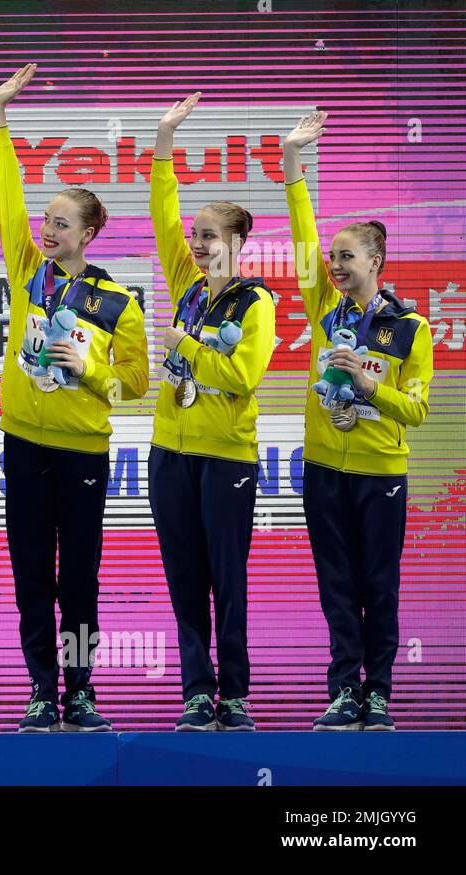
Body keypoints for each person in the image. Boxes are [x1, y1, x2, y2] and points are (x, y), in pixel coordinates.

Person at [0, 64, 148, 732]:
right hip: (24, 448)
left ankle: (80, 688)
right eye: (44, 221)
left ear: (87, 234)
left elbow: (135, 386)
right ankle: (39, 684)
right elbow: (3, 195)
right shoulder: (29, 273)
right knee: (31, 578)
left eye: (59, 223)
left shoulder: (118, 301)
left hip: (83, 452)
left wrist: (86, 370)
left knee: (77, 580)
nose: (45, 229)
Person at [282, 111, 433, 731]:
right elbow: (300, 231)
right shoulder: (323, 304)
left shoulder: (411, 329)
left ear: (377, 260)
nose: (336, 265)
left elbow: (417, 409)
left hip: (380, 474)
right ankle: (344, 691)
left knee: (379, 587)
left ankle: (379, 694)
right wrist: (294, 160)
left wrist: (372, 385)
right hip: (323, 470)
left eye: (348, 257)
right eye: (333, 257)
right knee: (337, 587)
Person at [149, 93, 277, 732]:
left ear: (237, 243)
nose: (197, 245)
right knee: (183, 582)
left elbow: (240, 376)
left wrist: (188, 347)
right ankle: (197, 692)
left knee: (227, 580)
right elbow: (161, 214)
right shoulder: (187, 290)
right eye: (196, 236)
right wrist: (166, 140)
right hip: (170, 454)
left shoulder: (254, 304)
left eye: (209, 237)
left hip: (225, 455)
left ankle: (235, 695)